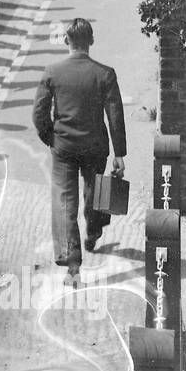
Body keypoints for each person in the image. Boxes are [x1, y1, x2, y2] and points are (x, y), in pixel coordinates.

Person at [32, 19, 127, 279]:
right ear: (91, 42)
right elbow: (115, 115)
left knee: (65, 201)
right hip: (95, 146)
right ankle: (94, 231)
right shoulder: (105, 73)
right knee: (94, 192)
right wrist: (120, 153)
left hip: (63, 146)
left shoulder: (52, 71)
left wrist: (51, 138)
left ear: (66, 41)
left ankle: (72, 263)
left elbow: (39, 113)